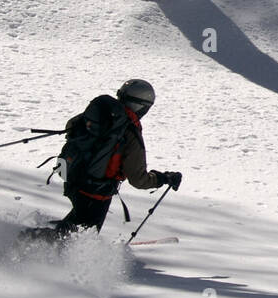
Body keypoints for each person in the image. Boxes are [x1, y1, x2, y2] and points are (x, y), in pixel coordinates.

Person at [24, 79, 182, 242]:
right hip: (96, 191)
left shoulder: (102, 112)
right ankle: (30, 241)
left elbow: (71, 125)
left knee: (77, 224)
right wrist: (163, 179)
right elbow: (138, 179)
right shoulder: (129, 131)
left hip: (73, 177)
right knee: (76, 238)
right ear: (142, 106)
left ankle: (39, 237)